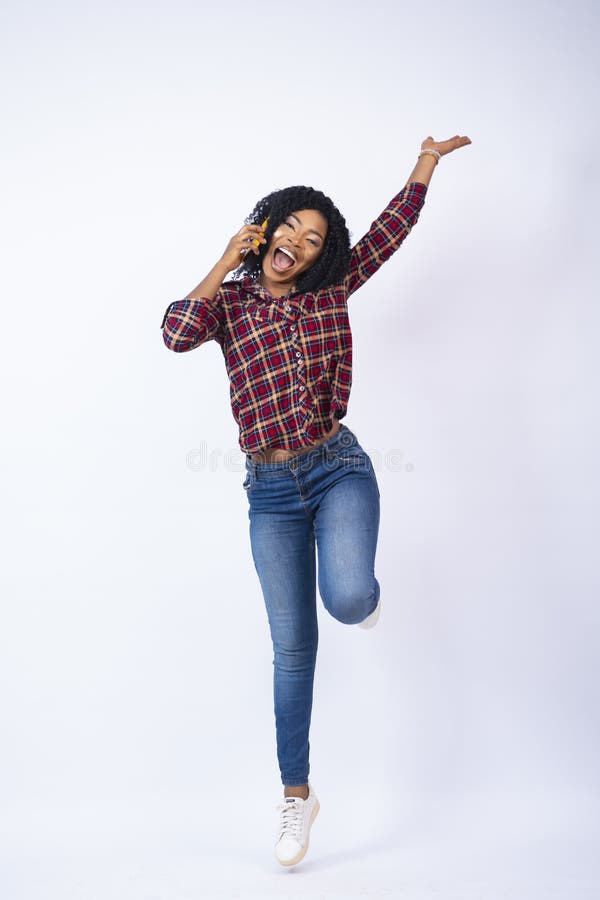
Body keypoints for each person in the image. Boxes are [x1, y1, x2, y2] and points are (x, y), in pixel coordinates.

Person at [160, 134, 472, 866]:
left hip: (337, 467)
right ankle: (297, 798)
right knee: (293, 651)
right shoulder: (231, 305)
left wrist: (425, 164)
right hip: (269, 492)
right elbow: (175, 334)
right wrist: (224, 259)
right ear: (266, 230)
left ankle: (365, 597)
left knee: (350, 598)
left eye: (313, 239)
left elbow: (390, 232)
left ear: (319, 256)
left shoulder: (331, 291)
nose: (298, 244)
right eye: (290, 228)